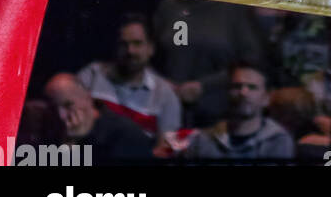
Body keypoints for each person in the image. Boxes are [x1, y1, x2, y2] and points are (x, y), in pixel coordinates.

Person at [77, 12, 181, 142]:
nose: (130, 51)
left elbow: (166, 147)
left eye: (137, 43)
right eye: (123, 44)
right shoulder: (92, 75)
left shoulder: (165, 95)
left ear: (151, 48)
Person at [184, 62, 294, 160]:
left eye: (252, 87)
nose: (243, 92)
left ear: (266, 98)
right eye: (237, 86)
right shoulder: (203, 141)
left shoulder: (277, 141)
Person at [44, 74, 154, 162]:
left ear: (87, 98)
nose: (61, 115)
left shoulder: (125, 135)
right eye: (54, 109)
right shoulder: (53, 131)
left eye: (68, 105)